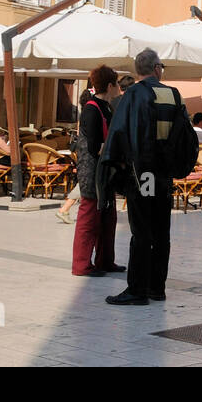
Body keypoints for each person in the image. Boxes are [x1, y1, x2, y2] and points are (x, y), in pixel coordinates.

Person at [99, 49, 197, 306]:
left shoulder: (133, 94)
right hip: (164, 175)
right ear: (156, 68)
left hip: (143, 173)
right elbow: (184, 134)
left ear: (137, 70)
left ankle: (137, 290)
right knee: (161, 231)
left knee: (141, 231)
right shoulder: (173, 94)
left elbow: (119, 134)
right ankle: (157, 287)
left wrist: (113, 173)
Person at [70, 67, 124, 276]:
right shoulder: (92, 109)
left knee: (108, 217)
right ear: (110, 86)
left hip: (105, 171)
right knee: (89, 217)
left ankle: (105, 261)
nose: (119, 88)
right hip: (92, 172)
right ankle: (82, 265)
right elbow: (94, 146)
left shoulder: (106, 107)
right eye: (117, 84)